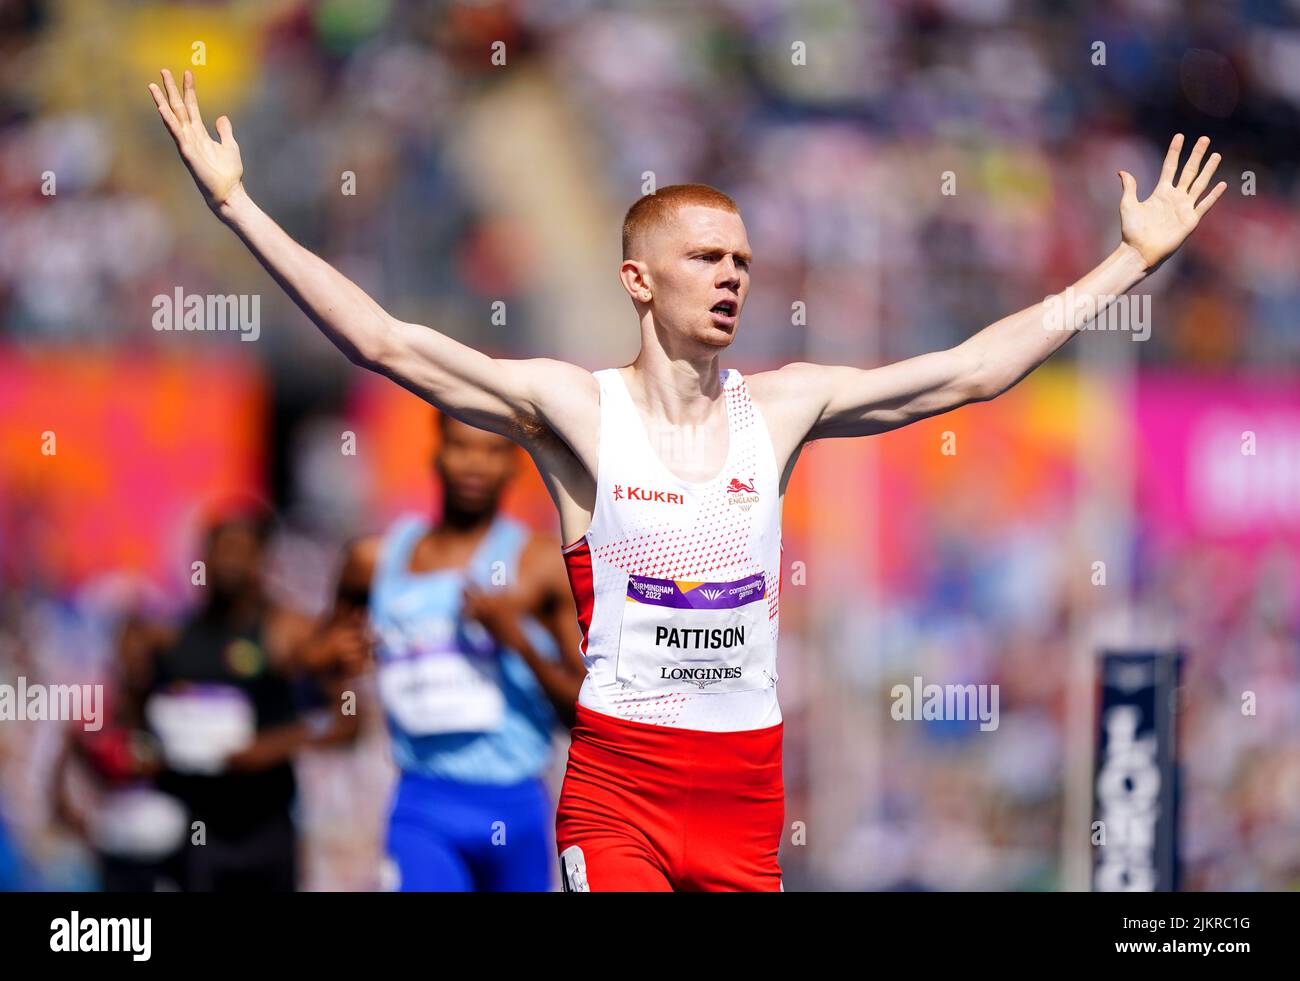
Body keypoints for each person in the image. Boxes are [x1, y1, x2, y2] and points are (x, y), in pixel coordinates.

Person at [148, 67, 1227, 890]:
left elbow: (971, 371)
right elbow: (385, 342)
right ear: (637, 278)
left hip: (746, 791)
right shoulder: (575, 408)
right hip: (620, 784)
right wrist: (239, 208)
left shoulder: (787, 405)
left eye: (744, 264)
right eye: (707, 259)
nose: (731, 279)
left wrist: (1127, 262)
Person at [304, 411, 585, 891]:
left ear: (514, 465)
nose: (474, 464)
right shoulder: (375, 560)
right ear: (436, 453)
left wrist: (517, 641)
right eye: (460, 446)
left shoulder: (538, 566)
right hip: (422, 804)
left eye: (492, 451)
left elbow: (581, 710)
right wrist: (331, 661)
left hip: (515, 808)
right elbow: (313, 664)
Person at [131, 508, 357, 891]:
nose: (228, 563)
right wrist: (145, 749)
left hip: (265, 827)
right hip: (193, 827)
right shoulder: (169, 639)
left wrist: (267, 748)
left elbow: (346, 720)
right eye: (220, 551)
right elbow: (137, 714)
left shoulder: (287, 633)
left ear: (262, 560)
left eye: (241, 551)